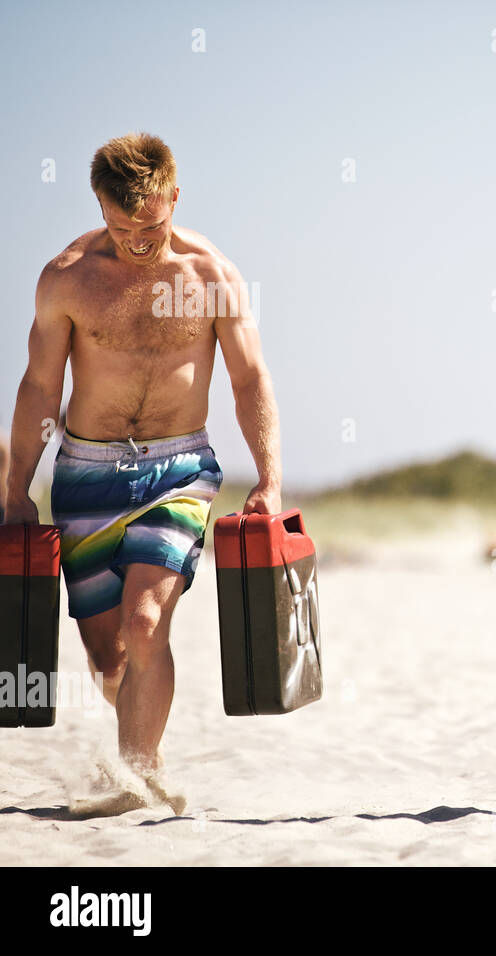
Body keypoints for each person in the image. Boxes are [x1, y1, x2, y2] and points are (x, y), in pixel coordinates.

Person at [3, 133, 283, 811]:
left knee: (147, 620)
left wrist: (269, 479)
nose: (138, 243)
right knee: (110, 657)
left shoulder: (211, 277)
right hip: (85, 474)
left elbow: (248, 382)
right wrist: (15, 490)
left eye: (152, 226)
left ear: (174, 199)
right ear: (100, 207)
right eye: (122, 228)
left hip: (179, 468)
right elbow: (41, 389)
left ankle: (137, 773)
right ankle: (138, 749)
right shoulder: (67, 278)